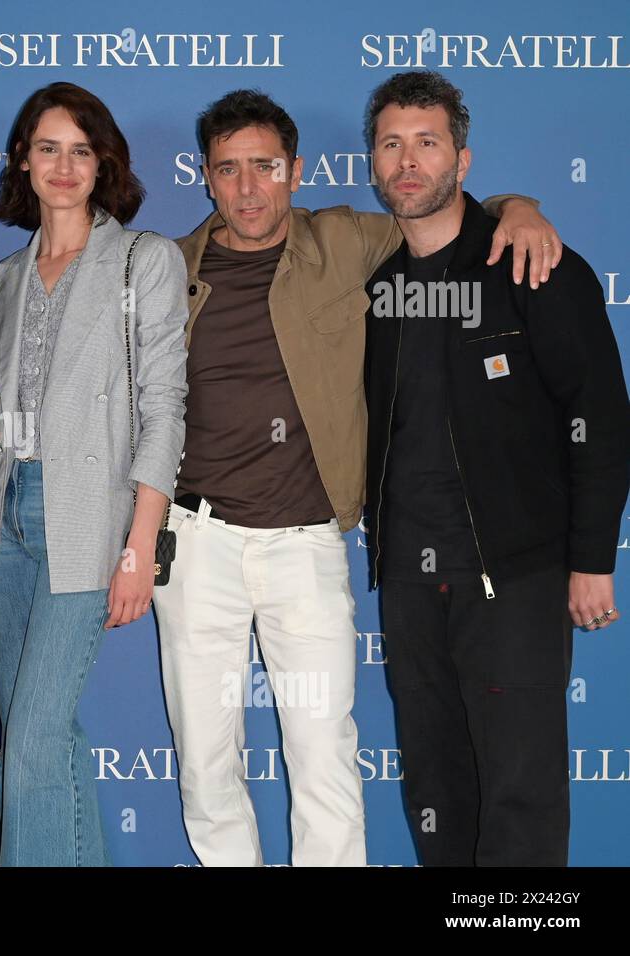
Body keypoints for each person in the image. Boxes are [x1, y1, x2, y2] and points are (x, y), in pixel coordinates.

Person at [153, 88, 561, 866]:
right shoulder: (167, 269)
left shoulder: (349, 242)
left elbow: (441, 214)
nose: (247, 189)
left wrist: (520, 205)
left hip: (305, 547)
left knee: (324, 756)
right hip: (197, 545)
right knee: (206, 764)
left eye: (264, 167)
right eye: (227, 170)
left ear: (295, 170)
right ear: (205, 177)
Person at [363, 70, 630, 866]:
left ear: (463, 160)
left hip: (517, 576)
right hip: (411, 581)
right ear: (373, 163)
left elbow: (602, 419)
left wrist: (591, 563)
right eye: (391, 144)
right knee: (436, 789)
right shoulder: (376, 290)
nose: (408, 161)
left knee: (520, 790)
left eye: (428, 143)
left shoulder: (534, 267)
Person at [0, 82, 189, 866]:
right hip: (6, 523)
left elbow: (165, 408)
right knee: (41, 741)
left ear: (104, 162)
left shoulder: (145, 259)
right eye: (48, 149)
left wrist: (141, 544)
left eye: (81, 149)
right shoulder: (4, 276)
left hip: (89, 520)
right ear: (24, 161)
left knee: (31, 746)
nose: (64, 166)